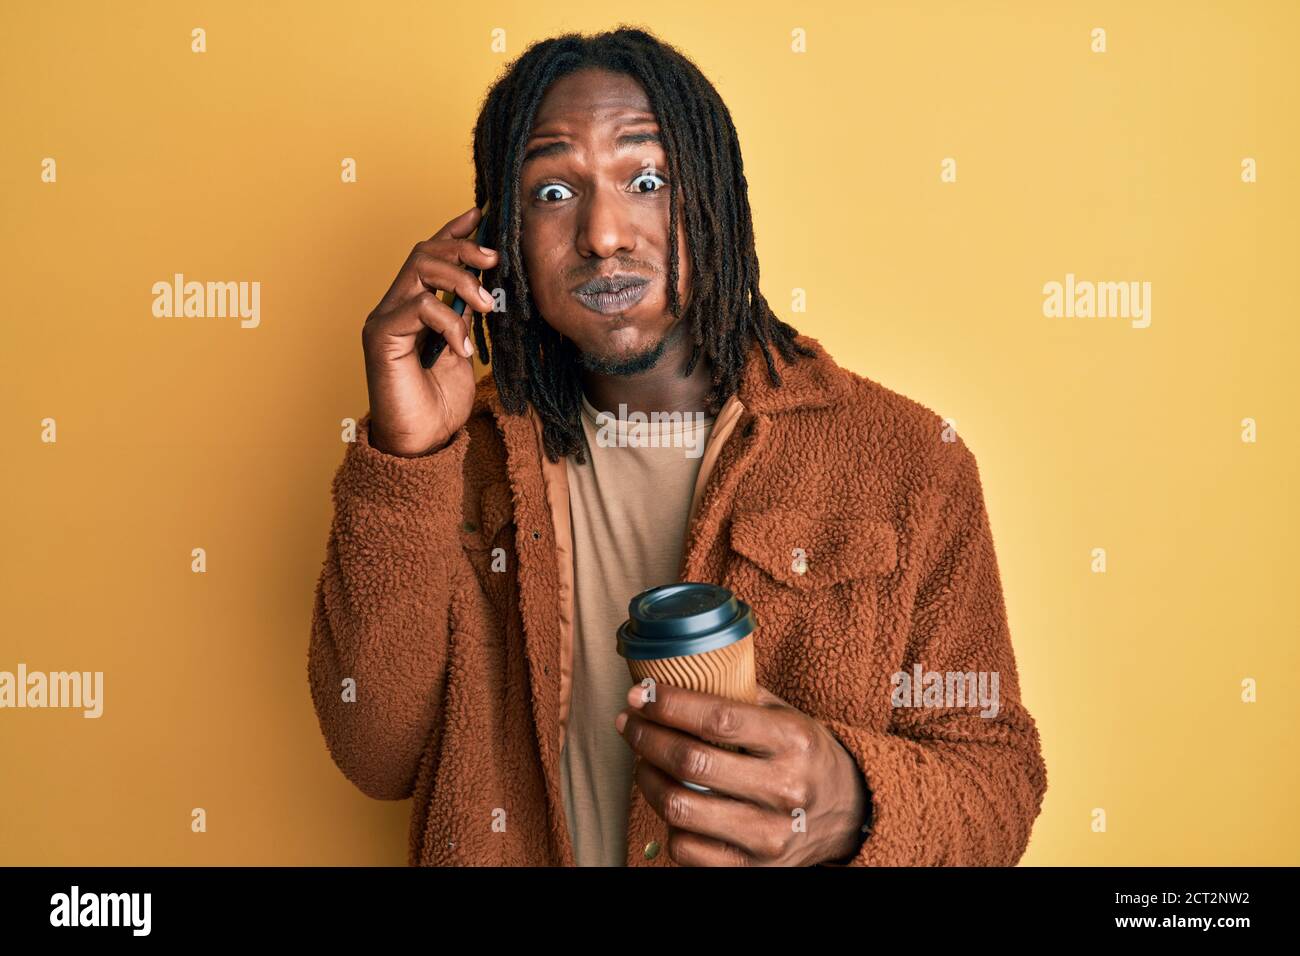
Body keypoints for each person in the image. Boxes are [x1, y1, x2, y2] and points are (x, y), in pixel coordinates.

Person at [308, 26, 1047, 866]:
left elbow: (999, 785)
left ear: (717, 203)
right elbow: (376, 752)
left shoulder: (910, 460)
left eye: (647, 180)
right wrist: (407, 460)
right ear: (501, 237)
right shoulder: (463, 459)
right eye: (554, 192)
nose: (604, 235)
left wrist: (850, 798)